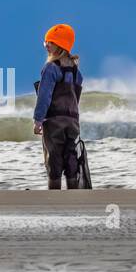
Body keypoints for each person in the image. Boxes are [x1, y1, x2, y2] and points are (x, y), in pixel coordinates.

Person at [33, 23, 84, 189]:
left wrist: (38, 120)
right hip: (73, 122)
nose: (46, 45)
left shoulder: (50, 69)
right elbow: (76, 99)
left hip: (54, 122)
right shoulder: (77, 72)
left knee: (54, 161)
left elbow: (44, 96)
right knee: (71, 159)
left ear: (60, 45)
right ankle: (73, 194)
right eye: (45, 42)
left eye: (50, 42)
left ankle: (54, 196)